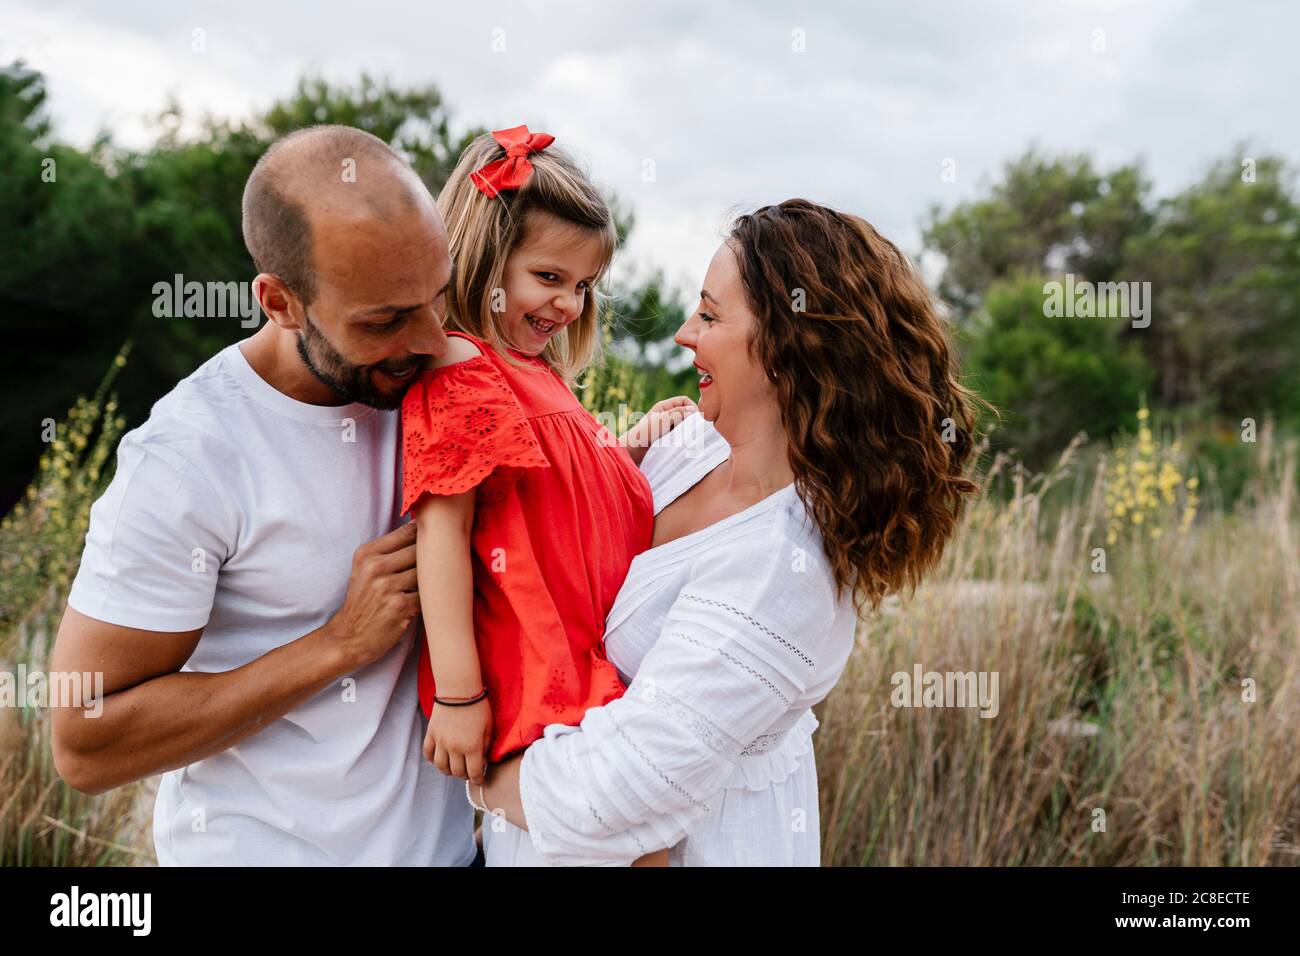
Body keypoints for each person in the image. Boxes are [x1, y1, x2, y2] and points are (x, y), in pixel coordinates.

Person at [473, 198, 984, 865]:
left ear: (789, 348)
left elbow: (617, 790)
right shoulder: (688, 445)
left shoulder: (781, 566)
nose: (685, 334)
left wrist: (479, 769)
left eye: (711, 316)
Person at [50, 124, 477, 865]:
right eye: (384, 320)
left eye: (437, 298)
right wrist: (336, 645)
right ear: (280, 301)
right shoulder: (189, 459)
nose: (433, 339)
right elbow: (85, 742)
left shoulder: (436, 375)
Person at [401, 126, 694, 867]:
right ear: (486, 259)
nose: (569, 303)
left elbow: (553, 485)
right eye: (550, 277)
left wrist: (630, 446)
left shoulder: (539, 373)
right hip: (532, 653)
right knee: (636, 841)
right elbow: (443, 533)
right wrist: (460, 696)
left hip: (579, 644)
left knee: (643, 838)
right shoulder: (464, 365)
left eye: (584, 285)